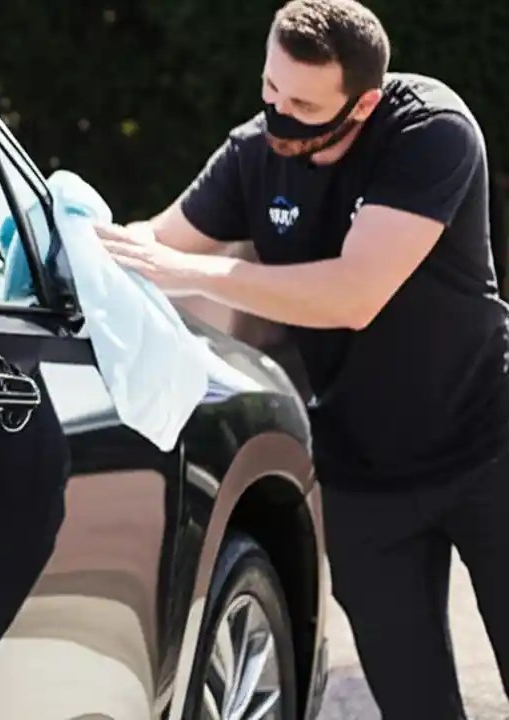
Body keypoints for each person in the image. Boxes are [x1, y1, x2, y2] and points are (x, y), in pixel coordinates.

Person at [95, 0, 509, 717]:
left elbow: (353, 294)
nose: (279, 115)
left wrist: (195, 273)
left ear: (365, 101)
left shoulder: (428, 132)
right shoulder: (253, 154)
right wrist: (68, 237)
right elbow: (152, 243)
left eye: (303, 103)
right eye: (270, 90)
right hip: (366, 478)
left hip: (488, 450)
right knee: (414, 703)